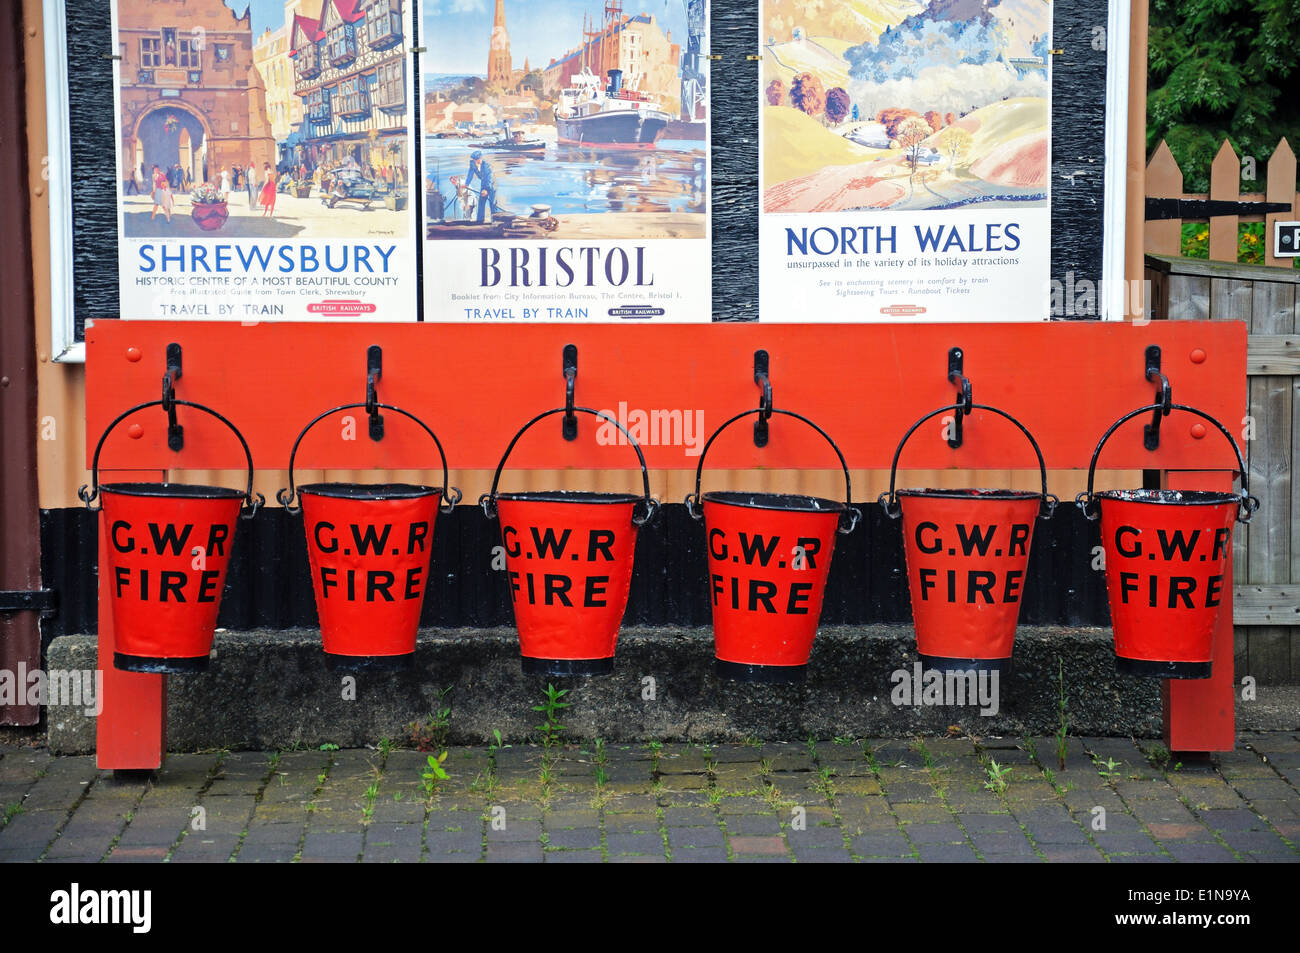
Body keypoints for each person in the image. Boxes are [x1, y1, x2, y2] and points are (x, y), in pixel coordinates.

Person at [465, 150, 500, 223]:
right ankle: (480, 221)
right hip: (483, 184)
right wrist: (466, 184)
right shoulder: (472, 164)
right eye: (475, 160)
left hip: (491, 185)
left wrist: (486, 190)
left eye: (478, 159)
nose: (477, 161)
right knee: (481, 202)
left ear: (481, 158)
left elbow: (489, 179)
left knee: (492, 203)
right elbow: (470, 175)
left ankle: (495, 221)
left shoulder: (487, 166)